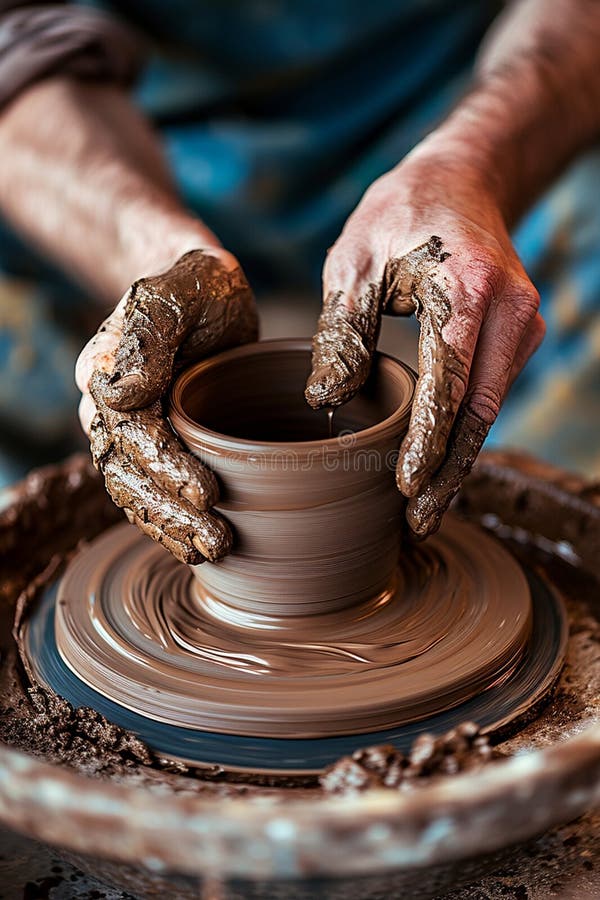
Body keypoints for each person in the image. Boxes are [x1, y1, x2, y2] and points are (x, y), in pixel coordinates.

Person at [0, 0, 599, 561]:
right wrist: (157, 254)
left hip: (459, 114)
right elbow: (14, 47)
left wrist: (472, 165)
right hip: (122, 152)